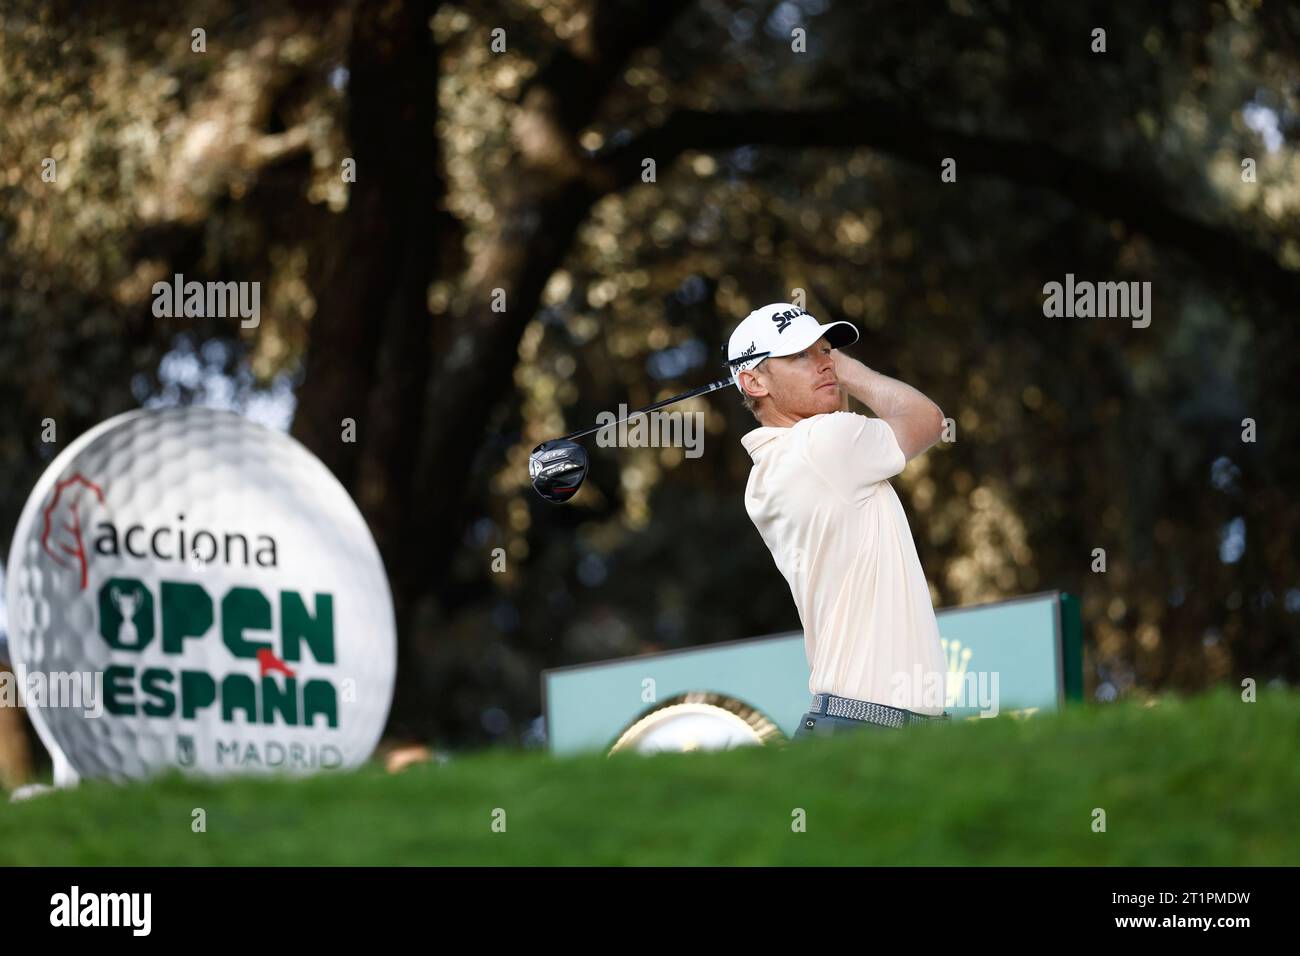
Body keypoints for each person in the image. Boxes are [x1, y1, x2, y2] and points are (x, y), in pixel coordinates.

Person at [727, 302, 951, 740]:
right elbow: (929, 419)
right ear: (753, 382)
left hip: (861, 722)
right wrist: (847, 370)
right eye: (799, 356)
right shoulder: (824, 443)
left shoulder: (772, 469)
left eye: (826, 350)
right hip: (870, 724)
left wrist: (825, 371)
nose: (824, 362)